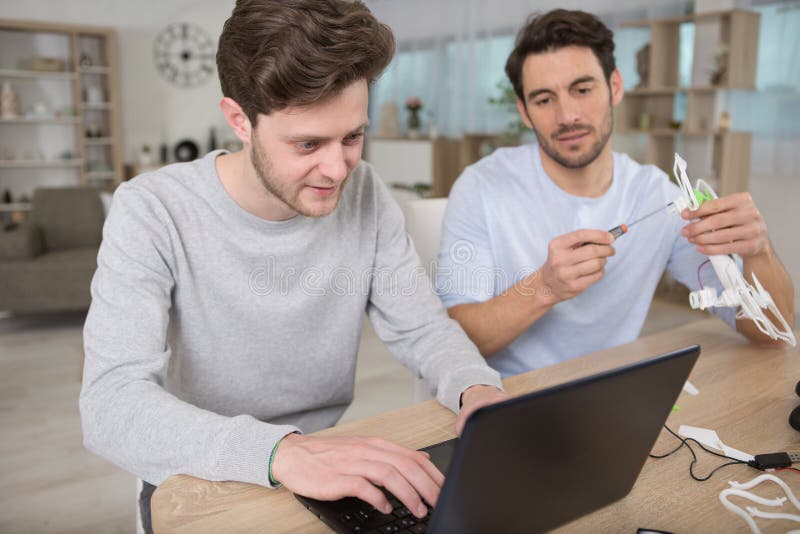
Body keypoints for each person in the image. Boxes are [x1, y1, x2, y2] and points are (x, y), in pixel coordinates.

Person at [79, 1, 506, 532]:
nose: (337, 168)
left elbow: (421, 326)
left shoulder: (365, 191)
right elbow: (110, 405)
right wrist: (282, 454)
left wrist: (476, 390)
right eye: (308, 143)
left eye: (352, 136)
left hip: (323, 467)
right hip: (199, 475)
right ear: (240, 120)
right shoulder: (152, 209)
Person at [437, 9, 794, 377]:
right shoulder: (481, 186)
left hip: (612, 396)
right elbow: (456, 339)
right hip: (505, 396)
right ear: (525, 112)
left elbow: (773, 333)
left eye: (583, 89)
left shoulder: (657, 195)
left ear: (615, 87)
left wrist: (759, 252)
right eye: (544, 100)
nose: (567, 116)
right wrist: (544, 286)